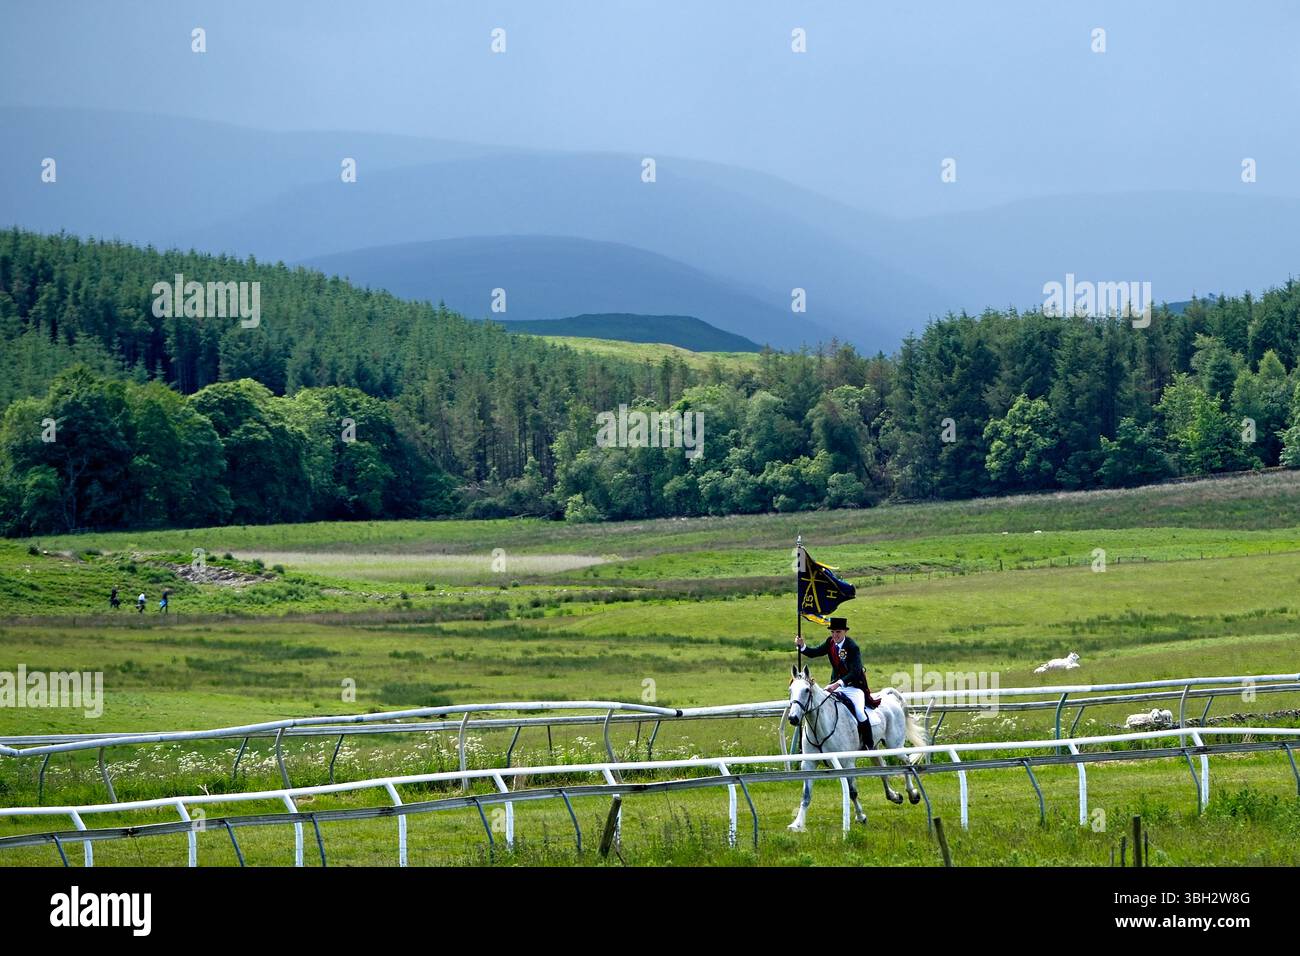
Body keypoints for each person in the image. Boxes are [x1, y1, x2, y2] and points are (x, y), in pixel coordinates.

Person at [795, 616, 881, 750]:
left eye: (838, 632)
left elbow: (856, 671)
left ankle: (868, 743)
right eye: (833, 632)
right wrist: (802, 646)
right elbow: (815, 652)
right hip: (836, 685)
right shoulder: (830, 643)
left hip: (854, 687)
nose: (835, 635)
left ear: (845, 632)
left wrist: (838, 684)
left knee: (859, 712)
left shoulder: (852, 647)